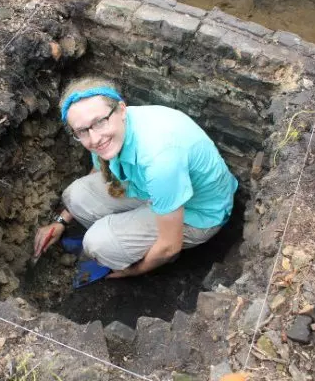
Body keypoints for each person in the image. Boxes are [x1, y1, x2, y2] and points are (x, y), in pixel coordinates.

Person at [34, 77, 238, 278]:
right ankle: (124, 241)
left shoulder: (159, 158)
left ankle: (132, 252)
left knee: (97, 244)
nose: (94, 139)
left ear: (122, 109)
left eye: (99, 122)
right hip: (152, 189)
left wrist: (133, 271)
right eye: (82, 131)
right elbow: (100, 170)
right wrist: (61, 221)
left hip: (198, 212)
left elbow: (170, 245)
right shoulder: (107, 131)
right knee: (75, 195)